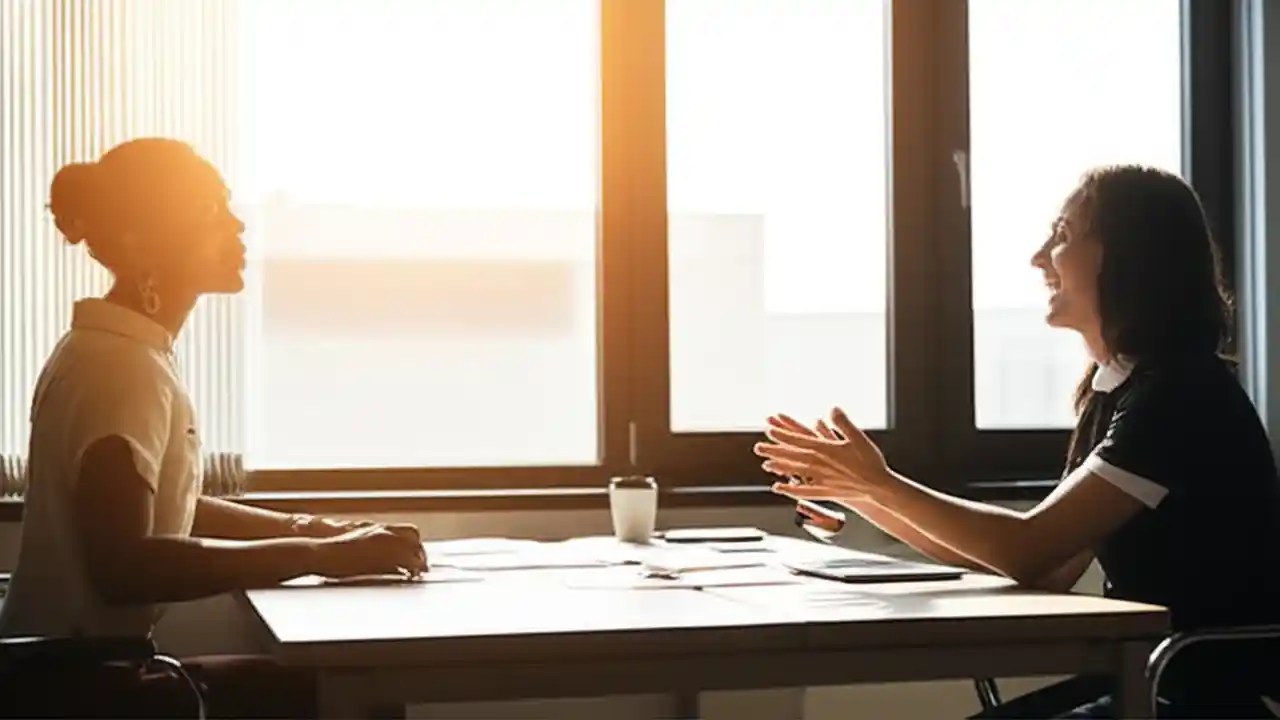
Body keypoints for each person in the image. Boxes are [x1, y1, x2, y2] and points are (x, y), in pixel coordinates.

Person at [756, 165, 1280, 718]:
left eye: (1063, 235)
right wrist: (864, 493)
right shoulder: (1118, 392)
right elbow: (1048, 568)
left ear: (1129, 253)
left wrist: (881, 483)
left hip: (1198, 697)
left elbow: (1029, 550)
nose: (1039, 258)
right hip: (1153, 681)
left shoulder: (1178, 396)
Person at [0, 138, 429, 718]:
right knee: (349, 697)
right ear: (142, 243)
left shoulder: (118, 348)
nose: (237, 225)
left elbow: (168, 507)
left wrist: (317, 530)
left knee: (325, 686)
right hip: (80, 684)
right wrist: (317, 555)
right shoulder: (121, 369)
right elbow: (124, 566)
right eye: (211, 211)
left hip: (60, 668)